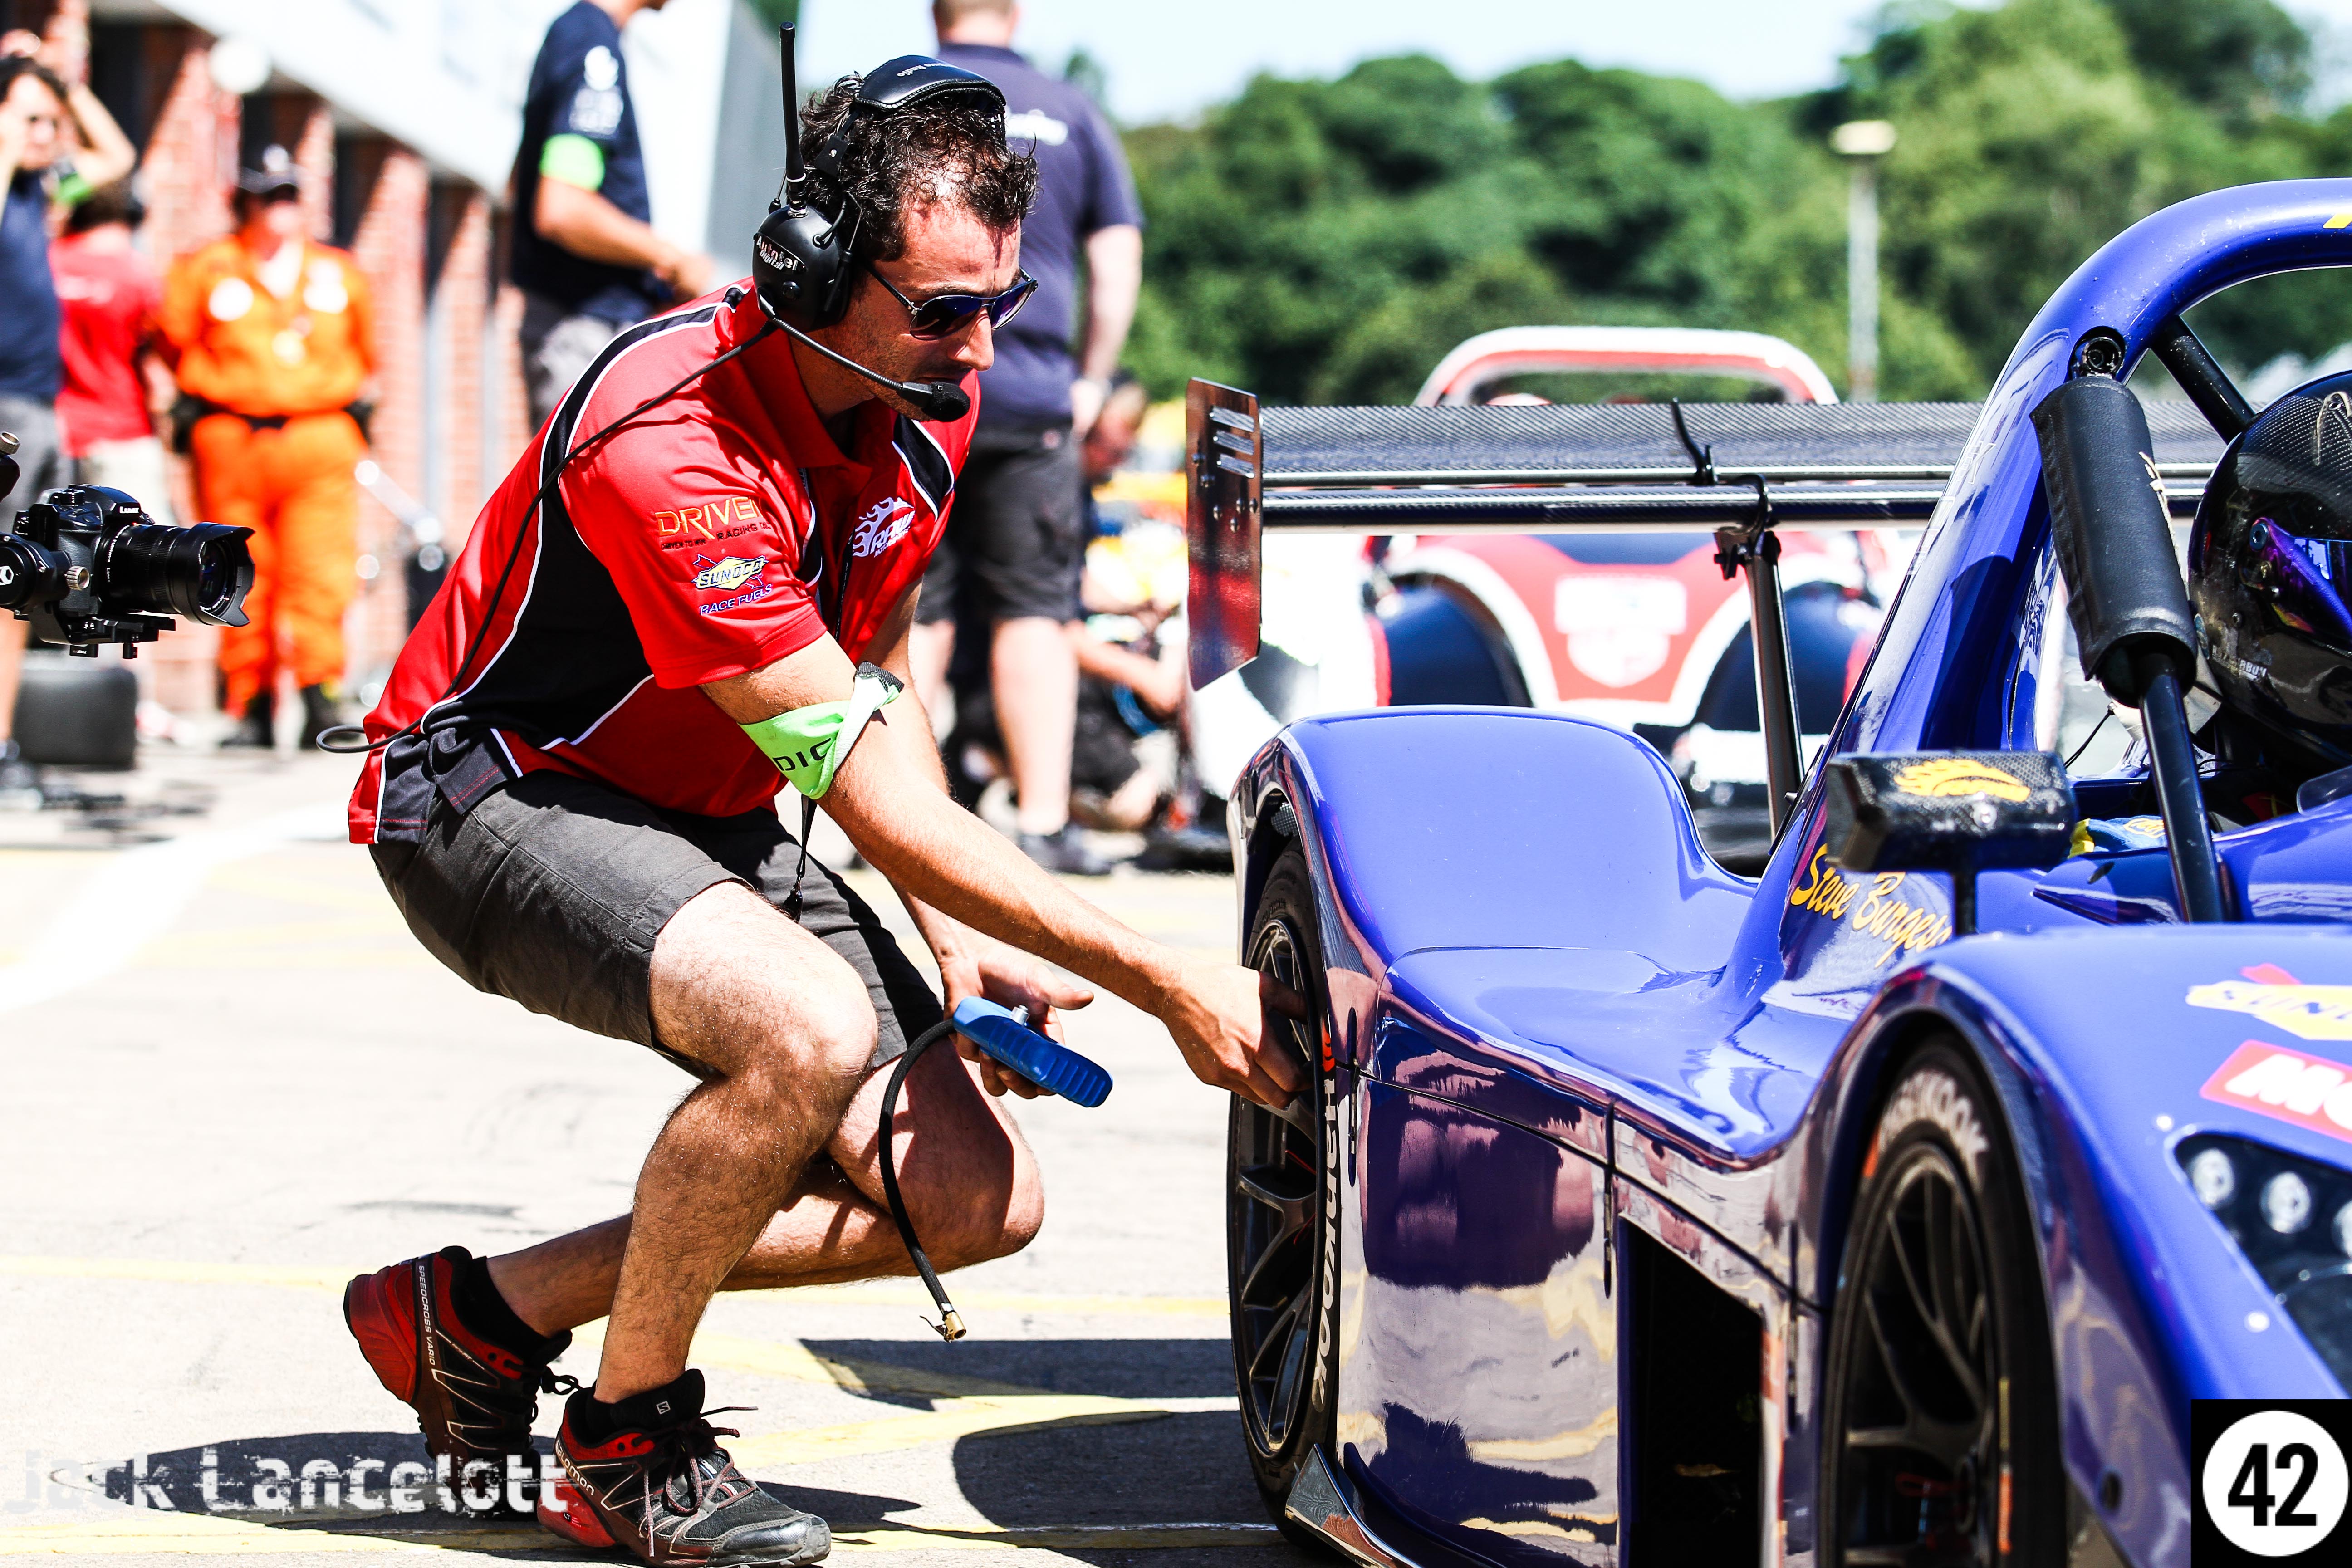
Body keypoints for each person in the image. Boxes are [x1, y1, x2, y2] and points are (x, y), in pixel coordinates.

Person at [340, 59, 1298, 1565]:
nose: (983, 345)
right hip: (496, 798)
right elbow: (866, 792)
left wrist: (955, 934)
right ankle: (625, 1439)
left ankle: (480, 1311)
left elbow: (880, 670)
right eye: (940, 309)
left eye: (1003, 301)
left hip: (705, 813)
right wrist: (1173, 978)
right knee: (805, 1030)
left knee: (976, 1198)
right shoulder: (674, 444)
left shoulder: (921, 393)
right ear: (809, 273)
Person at [908, 0, 1143, 875]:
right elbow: (1115, 263)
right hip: (1035, 397)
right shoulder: (1073, 111)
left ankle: (898, 817)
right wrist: (1090, 377)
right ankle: (1043, 823)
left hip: (919, 386)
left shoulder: (903, 94)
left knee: (912, 604)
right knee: (1035, 612)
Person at [160, 146, 376, 751]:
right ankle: (247, 702)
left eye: (289, 195)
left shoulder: (339, 272)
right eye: (268, 196)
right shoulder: (206, 268)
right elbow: (172, 338)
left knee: (321, 570)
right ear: (244, 202)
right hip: (232, 437)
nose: (280, 208)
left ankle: (319, 697)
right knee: (234, 571)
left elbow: (367, 351)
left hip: (319, 434)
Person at [0, 44, 132, 791]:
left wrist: (66, 86)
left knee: (14, 585)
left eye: (52, 124)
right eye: (30, 120)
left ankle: (2, 746)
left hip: (37, 407)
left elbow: (117, 155)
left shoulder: (41, 189)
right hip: (3, 404)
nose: (46, 134)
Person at [512, 0, 714, 430]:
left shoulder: (582, 36)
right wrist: (672, 259)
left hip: (577, 326)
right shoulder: (592, 44)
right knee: (588, 494)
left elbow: (519, 184)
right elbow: (562, 208)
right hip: (582, 331)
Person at [53, 178, 175, 522]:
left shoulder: (49, 263)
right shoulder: (138, 274)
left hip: (56, 426)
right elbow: (161, 357)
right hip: (122, 428)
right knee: (143, 551)